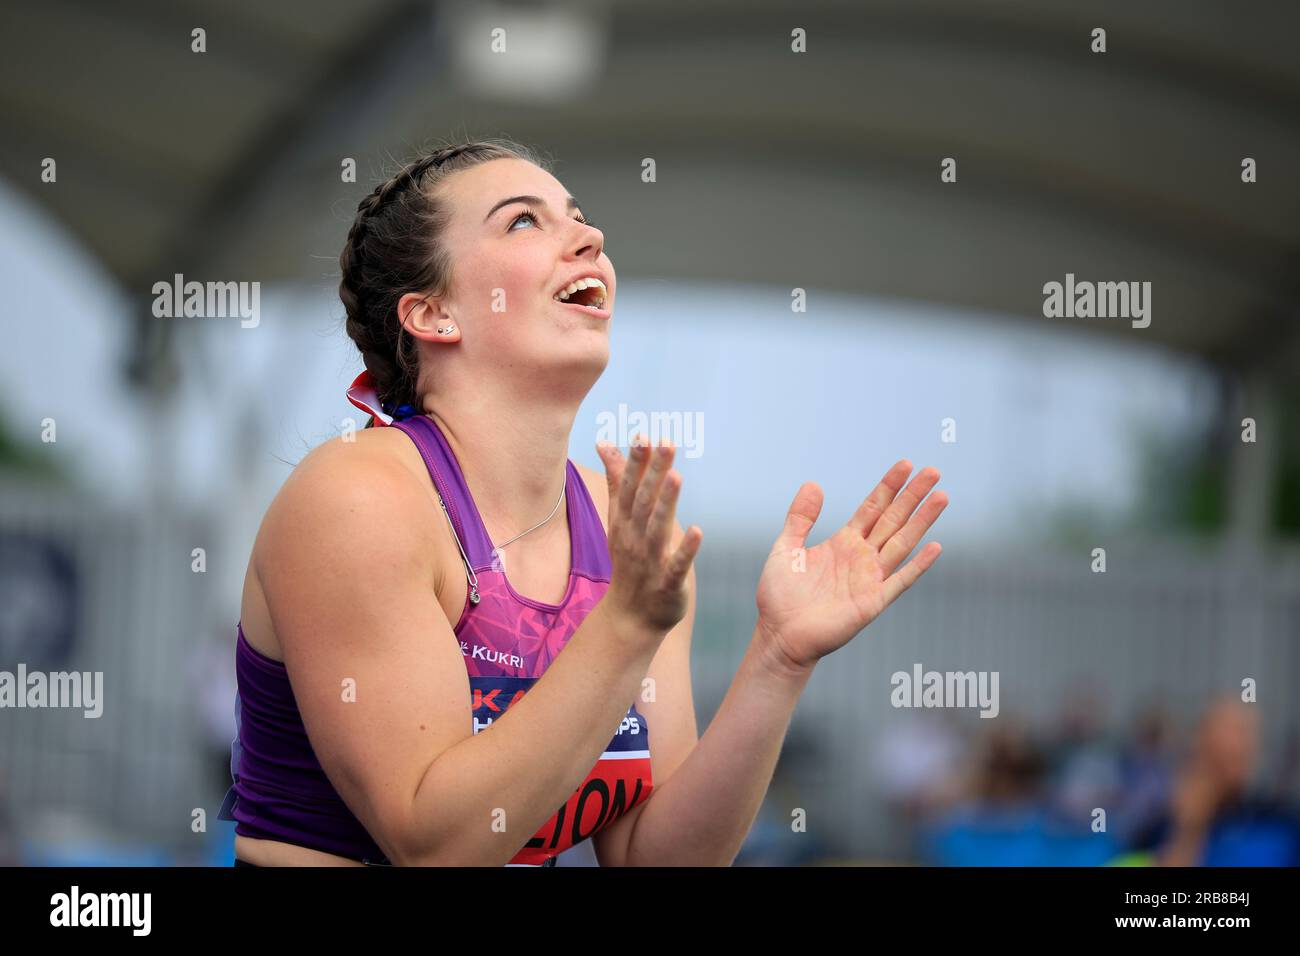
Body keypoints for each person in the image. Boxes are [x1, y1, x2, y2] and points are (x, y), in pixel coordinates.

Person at [217, 139, 949, 866]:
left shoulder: (624, 535)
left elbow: (653, 860)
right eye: (524, 222)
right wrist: (625, 626)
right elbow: (432, 844)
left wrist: (778, 658)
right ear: (434, 315)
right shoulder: (358, 498)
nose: (591, 237)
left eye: (579, 217)